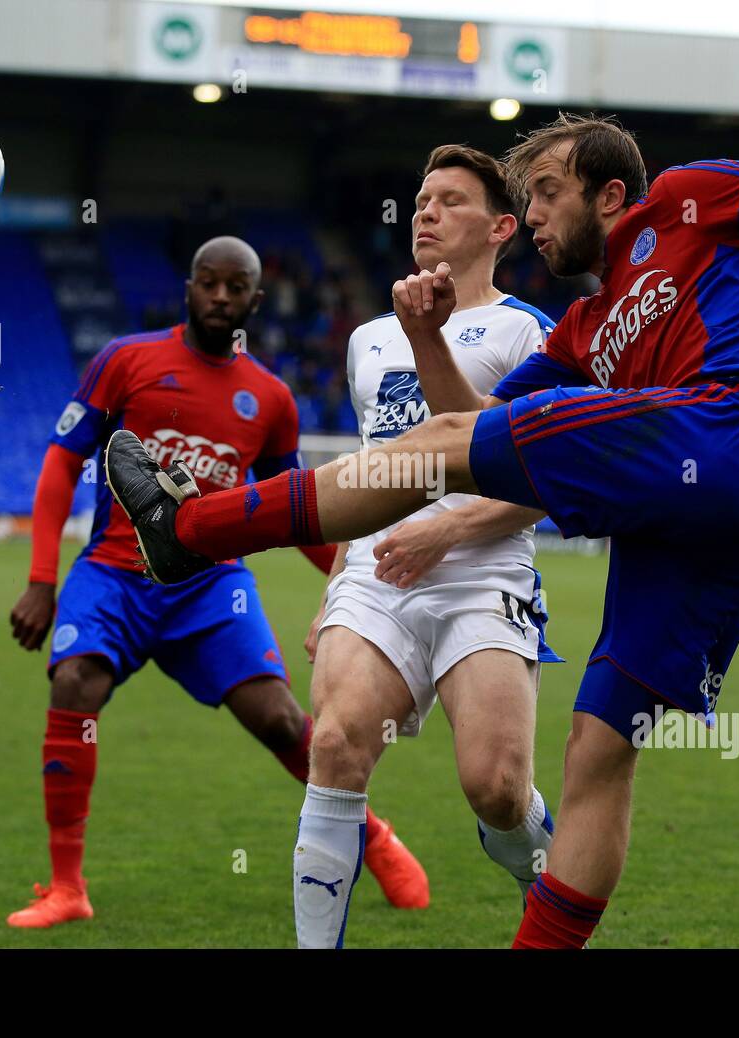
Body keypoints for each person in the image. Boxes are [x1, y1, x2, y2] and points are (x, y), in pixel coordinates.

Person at [104, 113, 739, 948]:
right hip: (696, 532)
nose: (539, 216)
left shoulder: (687, 197)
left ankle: (190, 528)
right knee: (596, 751)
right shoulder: (587, 332)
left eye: (548, 193)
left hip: (726, 432)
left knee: (431, 460)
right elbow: (470, 427)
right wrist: (425, 336)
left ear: (612, 193)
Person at [5, 235, 428, 930]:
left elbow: (300, 515)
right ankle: (66, 887)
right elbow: (60, 463)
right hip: (114, 574)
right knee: (73, 684)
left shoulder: (270, 398)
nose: (221, 296)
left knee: (280, 719)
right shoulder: (126, 360)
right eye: (209, 283)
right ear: (190, 288)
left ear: (255, 301)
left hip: (209, 589)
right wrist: (41, 579)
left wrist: (361, 583)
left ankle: (375, 838)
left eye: (236, 288)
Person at [294, 145, 562, 949]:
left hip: (484, 577)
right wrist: (334, 581)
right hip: (376, 577)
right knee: (336, 743)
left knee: (495, 787)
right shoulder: (369, 338)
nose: (426, 213)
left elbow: (547, 480)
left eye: (448, 200)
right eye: (420, 201)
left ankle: (537, 874)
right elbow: (372, 469)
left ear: (501, 227)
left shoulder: (534, 336)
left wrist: (449, 524)